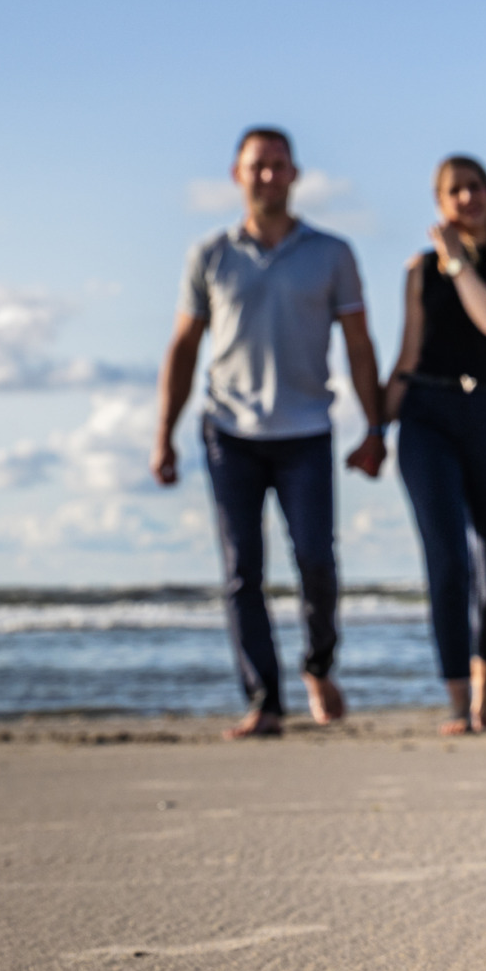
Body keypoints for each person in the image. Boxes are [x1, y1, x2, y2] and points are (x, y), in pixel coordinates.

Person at [151, 128, 387, 739]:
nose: (267, 176)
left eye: (278, 165)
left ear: (294, 175)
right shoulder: (210, 254)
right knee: (242, 572)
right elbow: (184, 348)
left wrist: (375, 427)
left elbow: (359, 345)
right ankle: (265, 702)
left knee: (316, 561)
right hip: (229, 432)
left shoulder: (332, 254)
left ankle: (318, 665)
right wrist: (164, 435)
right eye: (257, 166)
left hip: (306, 430)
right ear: (237, 174)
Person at [381, 156, 486, 735]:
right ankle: (455, 699)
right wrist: (375, 428)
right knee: (447, 561)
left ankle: (485, 671)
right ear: (440, 202)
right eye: (454, 191)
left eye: (475, 187)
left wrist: (456, 262)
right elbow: (408, 351)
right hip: (427, 415)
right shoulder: (419, 270)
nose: (467, 198)